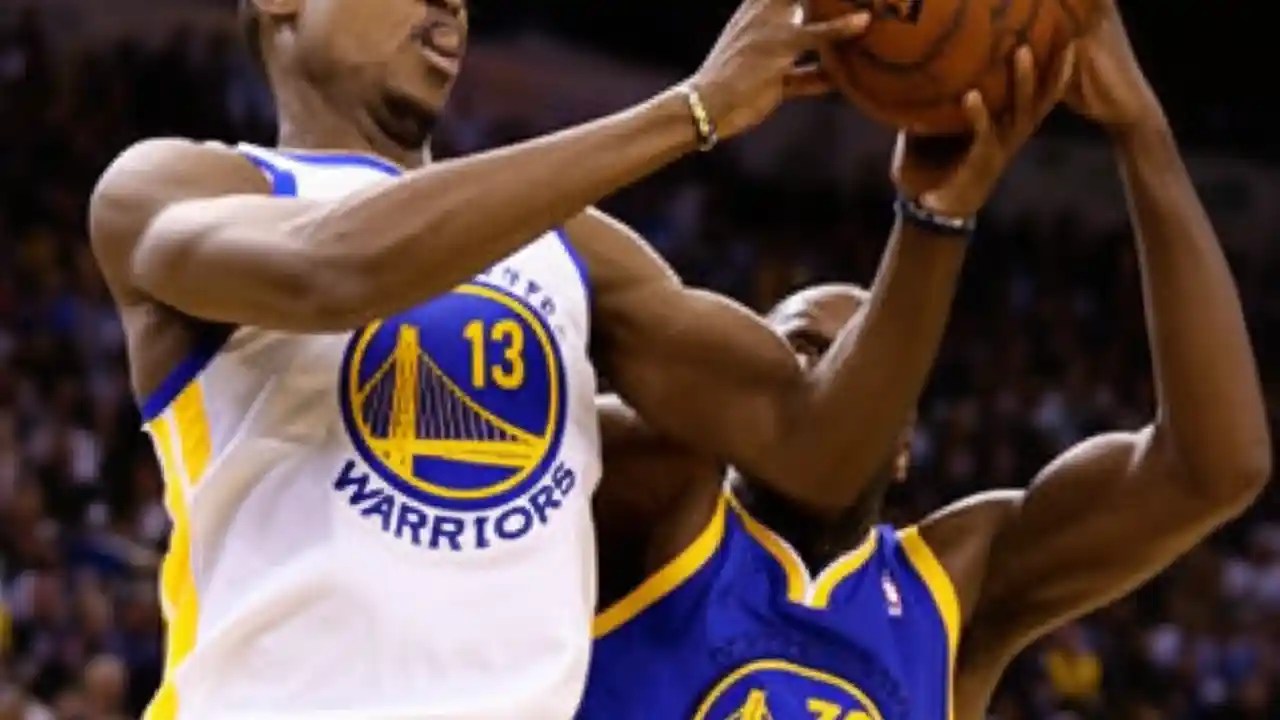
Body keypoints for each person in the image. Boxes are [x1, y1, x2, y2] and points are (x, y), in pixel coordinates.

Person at [83, 0, 1020, 717]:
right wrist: (688, 110)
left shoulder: (574, 248)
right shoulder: (182, 184)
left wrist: (934, 216)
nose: (450, 4)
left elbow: (815, 447)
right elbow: (332, 268)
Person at [580, 5, 1272, 719]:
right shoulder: (653, 494)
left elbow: (1215, 468)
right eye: (802, 352)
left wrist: (1142, 132)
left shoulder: (954, 586)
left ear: (907, 440)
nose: (831, 378)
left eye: (868, 365)